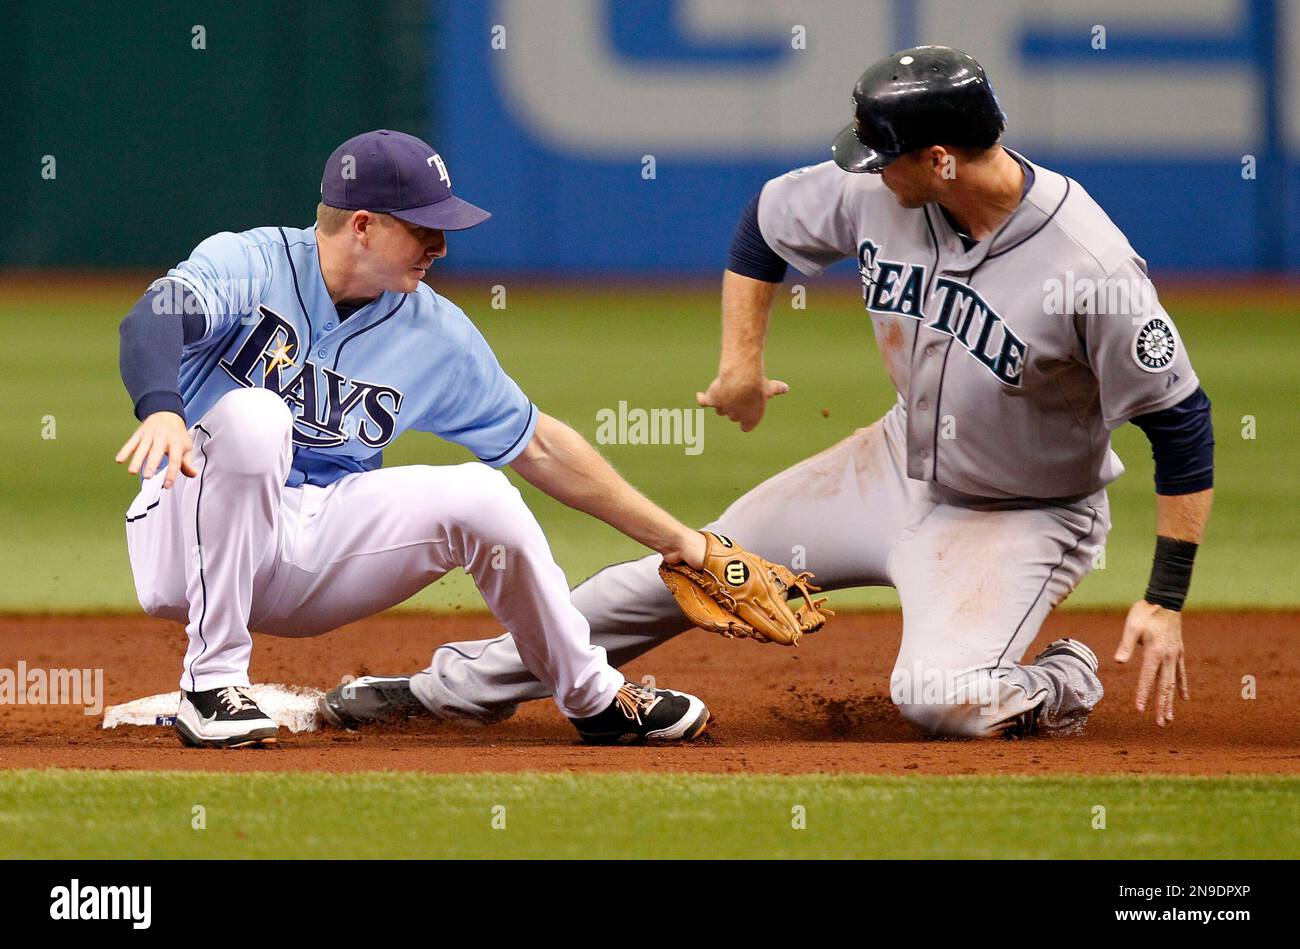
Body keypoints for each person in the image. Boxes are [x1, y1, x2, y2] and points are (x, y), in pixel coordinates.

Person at [323, 47, 1214, 739]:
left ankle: (1063, 678)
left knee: (940, 700)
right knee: (691, 571)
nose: (865, 169)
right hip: (891, 465)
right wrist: (740, 362)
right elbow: (766, 223)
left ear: (940, 159)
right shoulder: (882, 191)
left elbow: (1181, 424)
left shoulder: (1089, 267)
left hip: (1022, 513)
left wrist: (1164, 599)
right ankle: (448, 691)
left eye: (884, 154)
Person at [116, 129, 713, 748]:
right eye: (423, 227)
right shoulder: (252, 262)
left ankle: (594, 698)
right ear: (365, 225)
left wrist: (682, 542)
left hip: (310, 549)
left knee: (484, 493)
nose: (441, 246)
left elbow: (537, 446)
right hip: (183, 535)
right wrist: (162, 409)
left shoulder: (434, 331)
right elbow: (153, 317)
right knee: (256, 417)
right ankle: (213, 684)